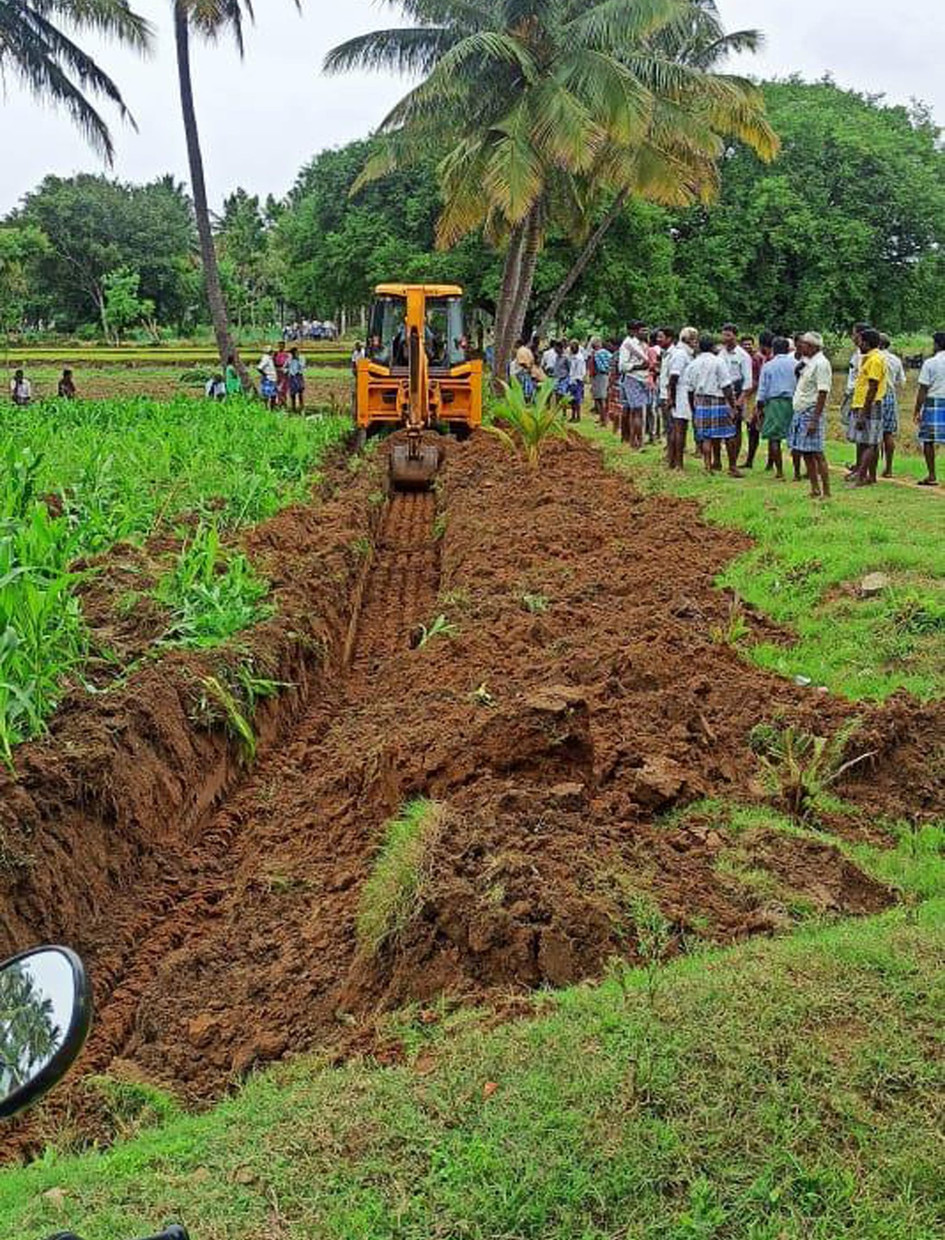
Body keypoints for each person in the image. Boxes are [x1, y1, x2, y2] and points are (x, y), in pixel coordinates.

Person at [788, 333, 833, 499]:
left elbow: (823, 392)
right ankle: (815, 488)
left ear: (813, 347)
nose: (800, 346)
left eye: (804, 344)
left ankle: (826, 491)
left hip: (811, 411)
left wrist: (815, 418)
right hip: (802, 410)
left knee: (817, 452)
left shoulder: (821, 364)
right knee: (805, 451)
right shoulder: (808, 362)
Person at [687, 336, 741, 476]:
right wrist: (732, 404)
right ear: (713, 347)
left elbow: (690, 388)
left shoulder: (693, 363)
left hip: (701, 401)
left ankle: (708, 466)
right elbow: (726, 386)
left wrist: (693, 407)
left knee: (706, 436)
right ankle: (733, 467)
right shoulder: (719, 361)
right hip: (718, 400)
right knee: (729, 434)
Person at [848, 327, 887, 486]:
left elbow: (873, 387)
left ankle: (861, 477)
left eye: (861, 341)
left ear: (868, 343)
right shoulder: (868, 358)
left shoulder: (875, 360)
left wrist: (864, 412)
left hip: (870, 405)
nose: (859, 344)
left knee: (870, 442)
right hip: (863, 404)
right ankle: (868, 476)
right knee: (864, 441)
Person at [755, 337, 797, 480]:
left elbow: (762, 389)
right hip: (794, 401)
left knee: (774, 438)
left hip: (775, 403)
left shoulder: (769, 366)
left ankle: (779, 471)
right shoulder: (797, 364)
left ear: (773, 349)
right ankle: (797, 472)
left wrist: (759, 407)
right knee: (796, 438)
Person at [913, 330, 945, 487]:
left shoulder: (930, 363)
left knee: (928, 440)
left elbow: (923, 389)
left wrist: (917, 410)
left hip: (934, 402)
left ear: (937, 345)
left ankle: (932, 475)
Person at [720, 323, 755, 463]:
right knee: (724, 426)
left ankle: (734, 459)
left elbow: (748, 381)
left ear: (735, 336)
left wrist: (740, 400)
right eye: (723, 334)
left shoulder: (743, 355)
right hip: (723, 391)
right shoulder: (721, 354)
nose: (725, 338)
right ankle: (725, 458)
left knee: (736, 426)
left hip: (738, 391)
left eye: (728, 335)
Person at [666, 327, 697, 470]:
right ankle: (678, 463)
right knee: (679, 428)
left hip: (684, 392)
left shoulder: (686, 353)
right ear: (687, 340)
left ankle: (674, 461)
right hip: (681, 392)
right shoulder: (681, 354)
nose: (696, 342)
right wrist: (671, 397)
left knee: (679, 428)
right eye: (694, 339)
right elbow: (674, 376)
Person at [742, 331, 773, 469]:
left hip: (756, 397)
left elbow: (754, 381)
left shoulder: (755, 359)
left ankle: (750, 460)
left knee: (753, 429)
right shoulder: (772, 358)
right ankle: (771, 463)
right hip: (771, 398)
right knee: (771, 431)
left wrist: (743, 395)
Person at [618, 320, 649, 447]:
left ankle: (633, 439)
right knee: (637, 411)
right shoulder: (628, 344)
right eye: (642, 331)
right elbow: (622, 366)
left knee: (637, 411)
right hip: (633, 378)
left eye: (647, 330)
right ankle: (637, 441)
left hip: (644, 380)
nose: (645, 333)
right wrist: (639, 366)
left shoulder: (644, 344)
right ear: (635, 331)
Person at [878, 333, 905, 478]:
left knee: (873, 433)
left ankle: (869, 468)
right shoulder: (895, 359)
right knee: (888, 434)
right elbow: (902, 381)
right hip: (889, 395)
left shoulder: (874, 357)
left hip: (876, 395)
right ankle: (888, 468)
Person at [567, 340, 586, 422]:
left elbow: (580, 371)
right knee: (572, 400)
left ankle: (578, 416)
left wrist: (577, 379)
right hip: (572, 380)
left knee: (577, 400)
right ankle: (573, 415)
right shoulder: (572, 357)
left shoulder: (579, 358)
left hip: (577, 380)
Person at [287, 346, 306, 413]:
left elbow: (303, 366)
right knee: (292, 394)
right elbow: (285, 366)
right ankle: (293, 408)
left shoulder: (301, 358)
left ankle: (302, 408)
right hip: (292, 377)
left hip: (299, 376)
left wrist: (297, 359)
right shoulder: (289, 358)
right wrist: (286, 371)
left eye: (294, 353)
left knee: (300, 393)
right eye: (292, 353)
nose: (293, 354)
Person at [274, 342, 291, 407]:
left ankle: (283, 401)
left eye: (282, 346)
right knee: (278, 387)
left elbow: (288, 364)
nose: (281, 347)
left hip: (284, 372)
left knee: (284, 388)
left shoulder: (286, 355)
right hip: (277, 372)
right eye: (280, 346)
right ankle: (279, 401)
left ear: (284, 346)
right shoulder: (276, 354)